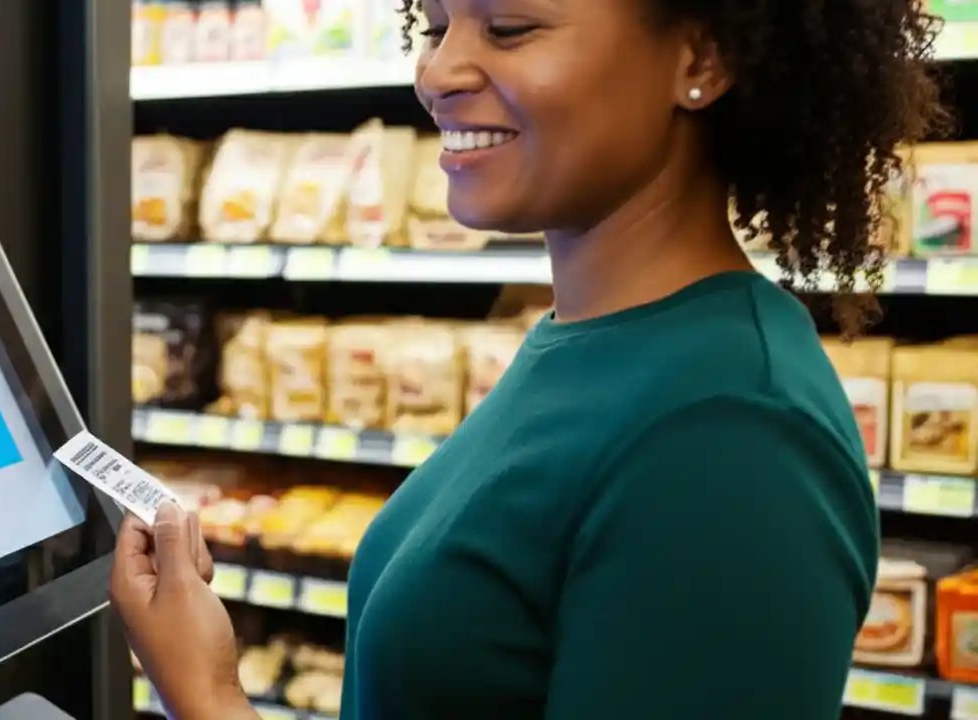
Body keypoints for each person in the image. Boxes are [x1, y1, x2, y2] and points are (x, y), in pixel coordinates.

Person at [111, 0, 947, 718]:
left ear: (701, 56)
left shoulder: (732, 434)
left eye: (508, 27)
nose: (439, 71)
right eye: (437, 25)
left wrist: (213, 697)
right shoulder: (591, 340)